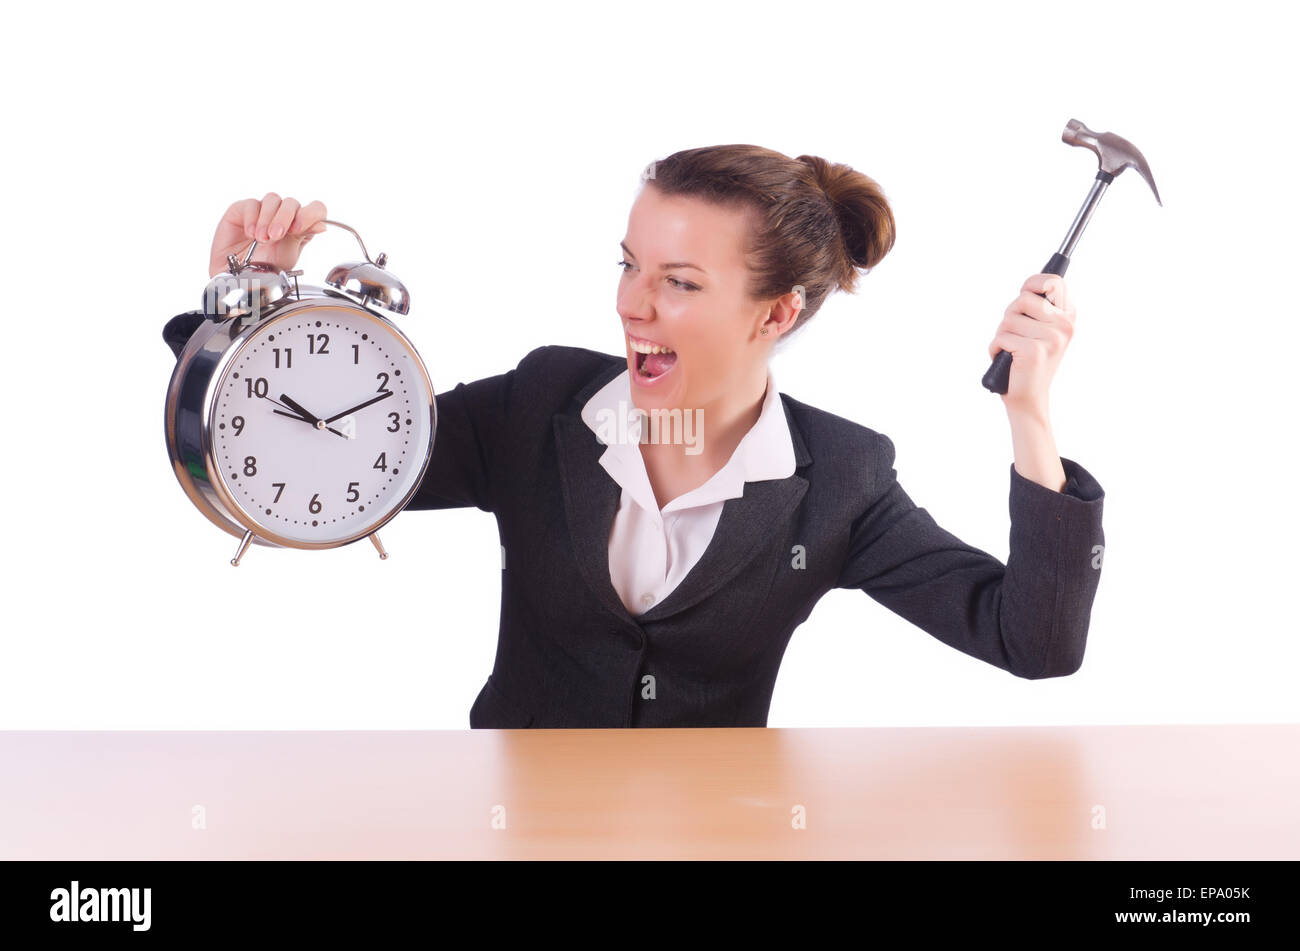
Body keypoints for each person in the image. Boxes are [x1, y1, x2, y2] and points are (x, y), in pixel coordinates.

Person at [162, 144, 1105, 729]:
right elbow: (305, 457)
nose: (630, 303)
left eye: (680, 282)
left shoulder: (842, 479)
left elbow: (1032, 640)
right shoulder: (541, 405)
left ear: (776, 313)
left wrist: (1030, 418)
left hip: (710, 843)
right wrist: (245, 316)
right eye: (629, 264)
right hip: (514, 830)